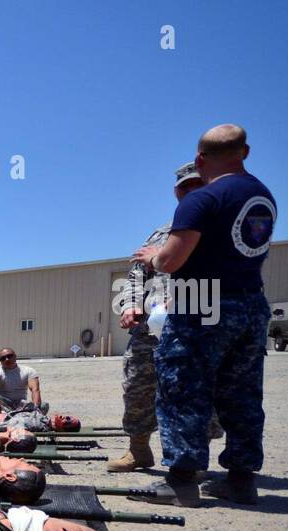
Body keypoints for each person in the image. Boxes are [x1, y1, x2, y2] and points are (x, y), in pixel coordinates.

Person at [138, 124, 276, 506]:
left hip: (201, 298)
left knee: (184, 388)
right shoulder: (262, 196)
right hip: (250, 300)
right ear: (244, 152)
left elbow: (171, 260)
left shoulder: (202, 200)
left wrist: (153, 257)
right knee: (242, 391)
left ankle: (182, 480)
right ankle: (241, 478)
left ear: (200, 160)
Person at [112, 162, 226, 472]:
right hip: (149, 330)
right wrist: (130, 305)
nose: (191, 193)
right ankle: (138, 450)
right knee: (137, 385)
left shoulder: (223, 229)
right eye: (185, 188)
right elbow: (136, 274)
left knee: (195, 391)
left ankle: (193, 462)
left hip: (197, 326)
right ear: (177, 192)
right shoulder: (164, 232)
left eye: (197, 187)